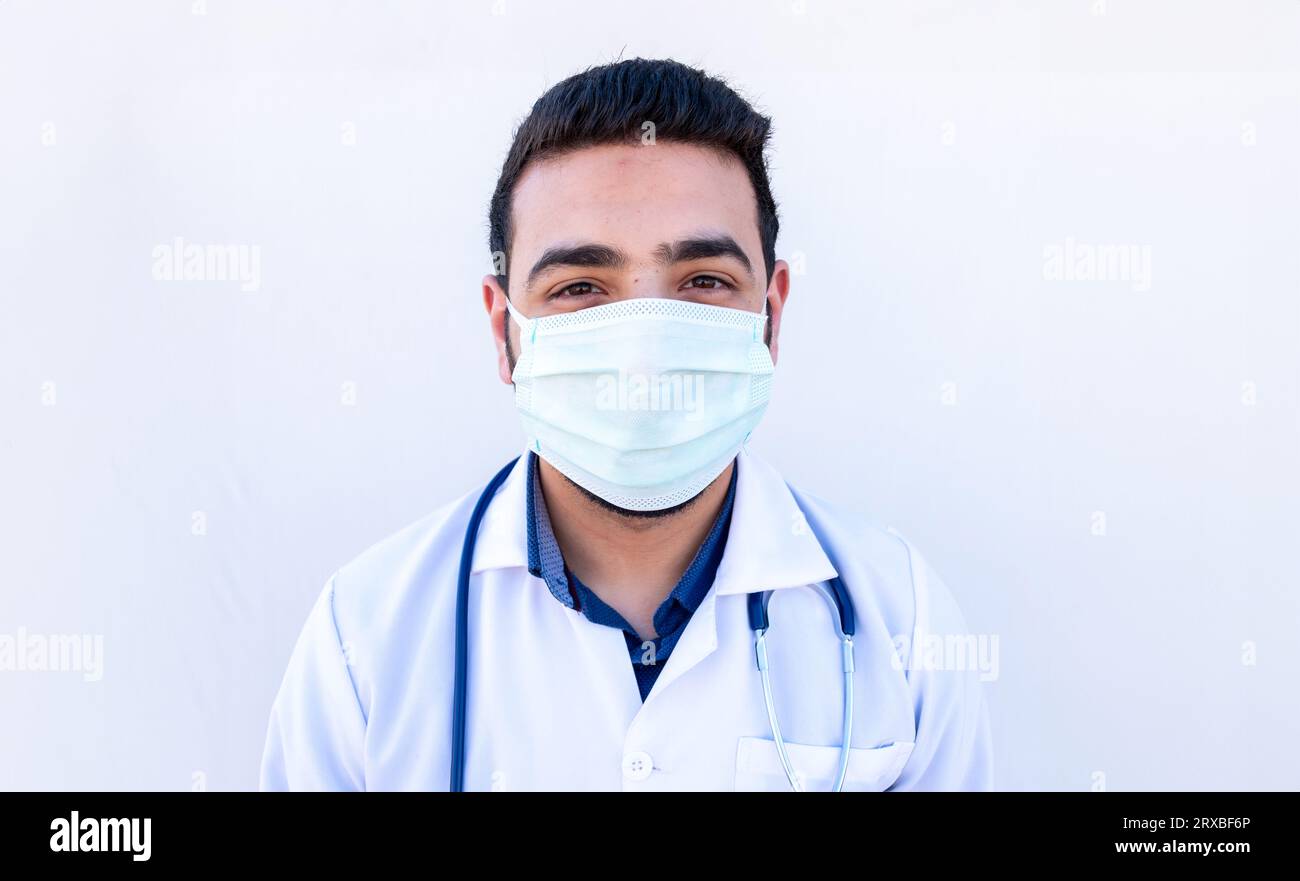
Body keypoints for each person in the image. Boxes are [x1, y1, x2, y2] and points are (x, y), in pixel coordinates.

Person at [260, 58, 993, 791]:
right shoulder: (363, 637)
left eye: (703, 281)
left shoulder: (902, 622)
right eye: (580, 287)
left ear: (772, 314)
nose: (643, 351)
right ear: (502, 329)